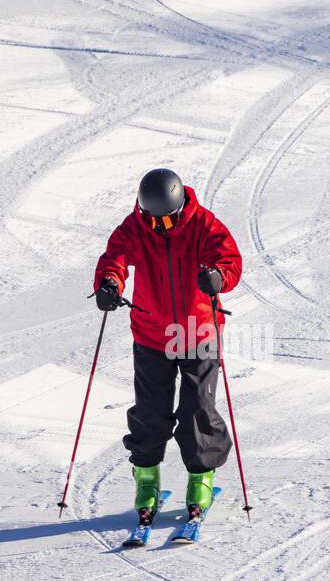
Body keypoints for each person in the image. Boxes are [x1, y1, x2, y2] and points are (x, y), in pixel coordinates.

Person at [92, 168, 242, 524]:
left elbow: (230, 260)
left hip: (197, 332)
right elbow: (115, 257)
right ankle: (146, 479)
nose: (160, 227)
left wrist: (217, 277)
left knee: (197, 412)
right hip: (151, 334)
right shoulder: (135, 226)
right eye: (152, 220)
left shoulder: (203, 224)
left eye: (166, 221)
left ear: (179, 209)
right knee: (150, 412)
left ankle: (201, 478)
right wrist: (109, 284)